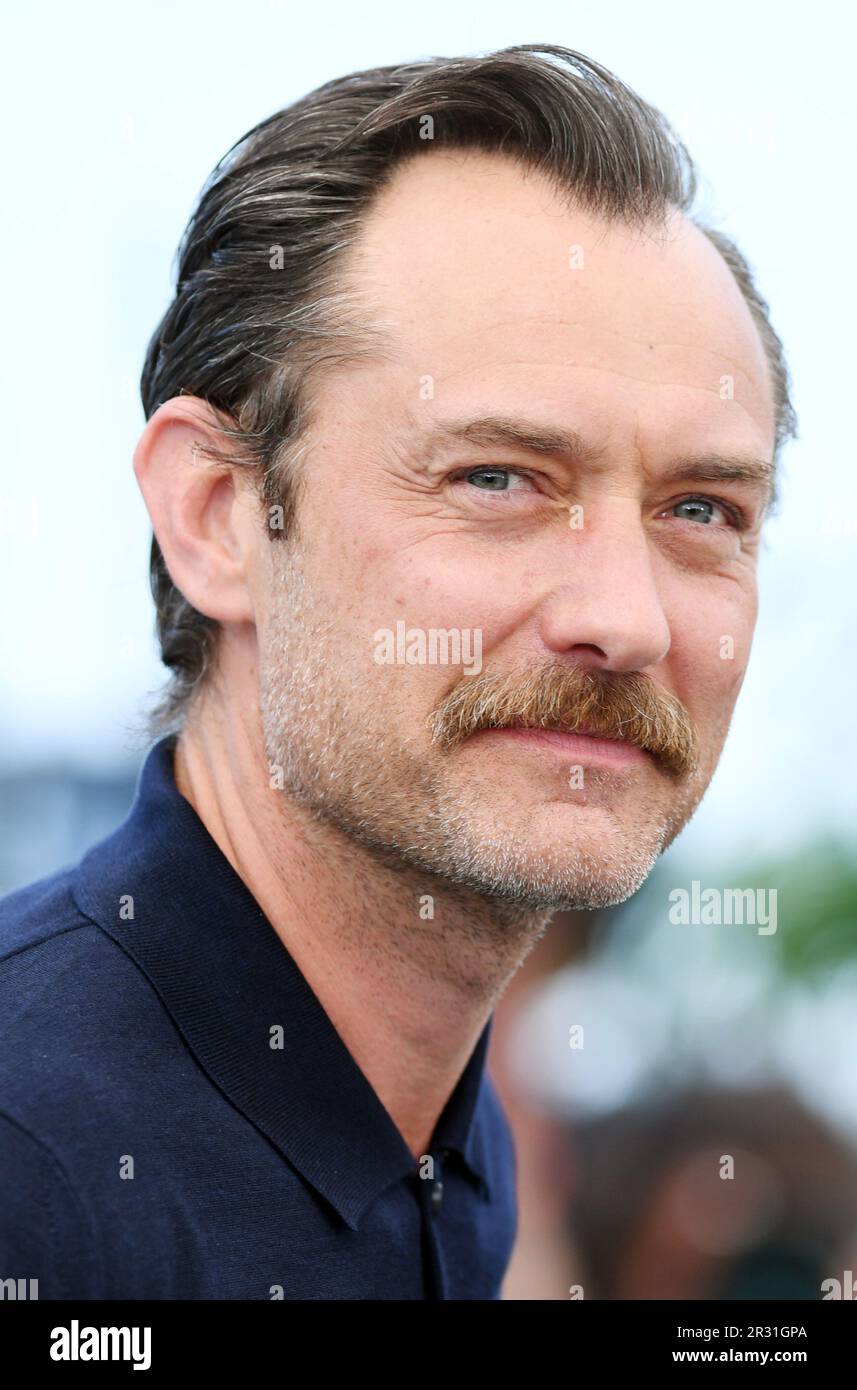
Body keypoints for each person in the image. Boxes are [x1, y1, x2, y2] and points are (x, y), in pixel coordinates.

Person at [0, 42, 795, 1299]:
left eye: (699, 510)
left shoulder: (452, 1155)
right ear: (216, 516)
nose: (625, 617)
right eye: (496, 479)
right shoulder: (32, 1175)